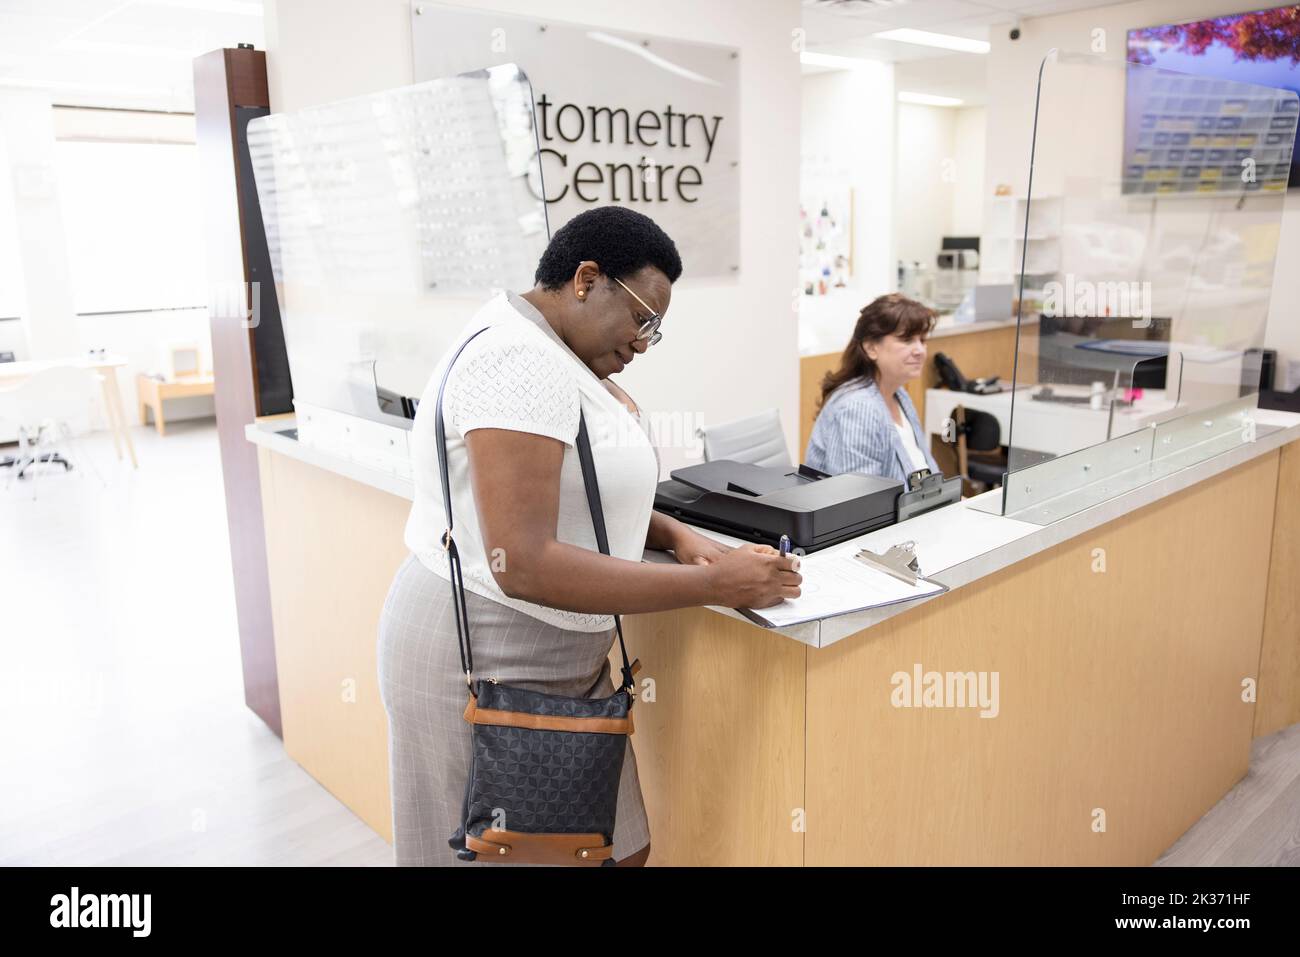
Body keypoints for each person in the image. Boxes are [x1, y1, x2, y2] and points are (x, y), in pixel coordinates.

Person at [377, 206, 801, 867]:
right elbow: (522, 560)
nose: (642, 342)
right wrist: (713, 582)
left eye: (654, 331)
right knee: (498, 857)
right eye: (642, 318)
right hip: (485, 651)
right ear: (586, 278)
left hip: (563, 655)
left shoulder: (547, 349)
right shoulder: (520, 361)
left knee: (616, 848)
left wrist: (672, 529)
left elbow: (579, 483)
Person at [805, 293, 940, 481]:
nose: (920, 350)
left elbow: (924, 469)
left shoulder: (898, 394)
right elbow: (858, 502)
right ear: (871, 348)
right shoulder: (858, 408)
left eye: (923, 340)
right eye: (907, 340)